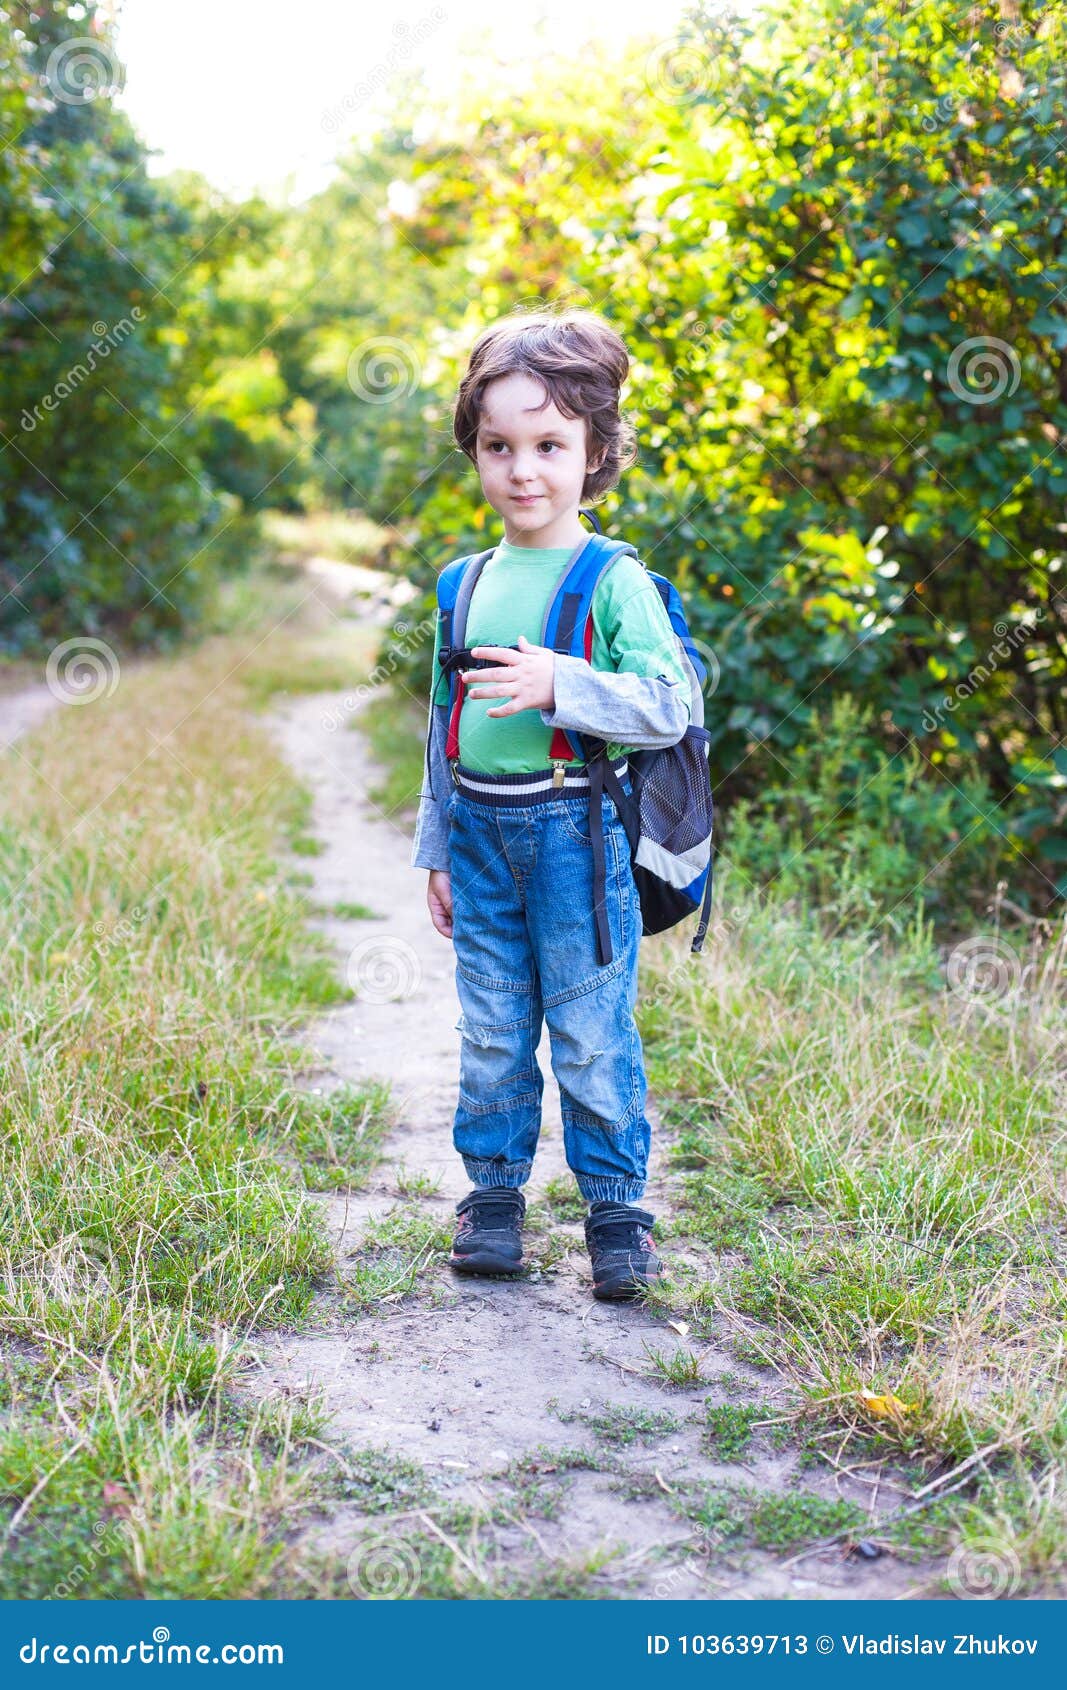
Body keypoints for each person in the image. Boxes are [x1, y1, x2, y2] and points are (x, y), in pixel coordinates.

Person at [410, 307, 691, 1300]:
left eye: (548, 445)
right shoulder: (463, 580)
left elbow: (669, 703)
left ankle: (615, 1212)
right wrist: (435, 846)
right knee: (490, 1026)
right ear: (474, 451)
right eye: (498, 446)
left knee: (588, 1028)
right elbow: (445, 723)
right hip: (481, 834)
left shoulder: (611, 580)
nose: (521, 469)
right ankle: (492, 1198)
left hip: (575, 833)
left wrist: (563, 684)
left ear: (595, 452)